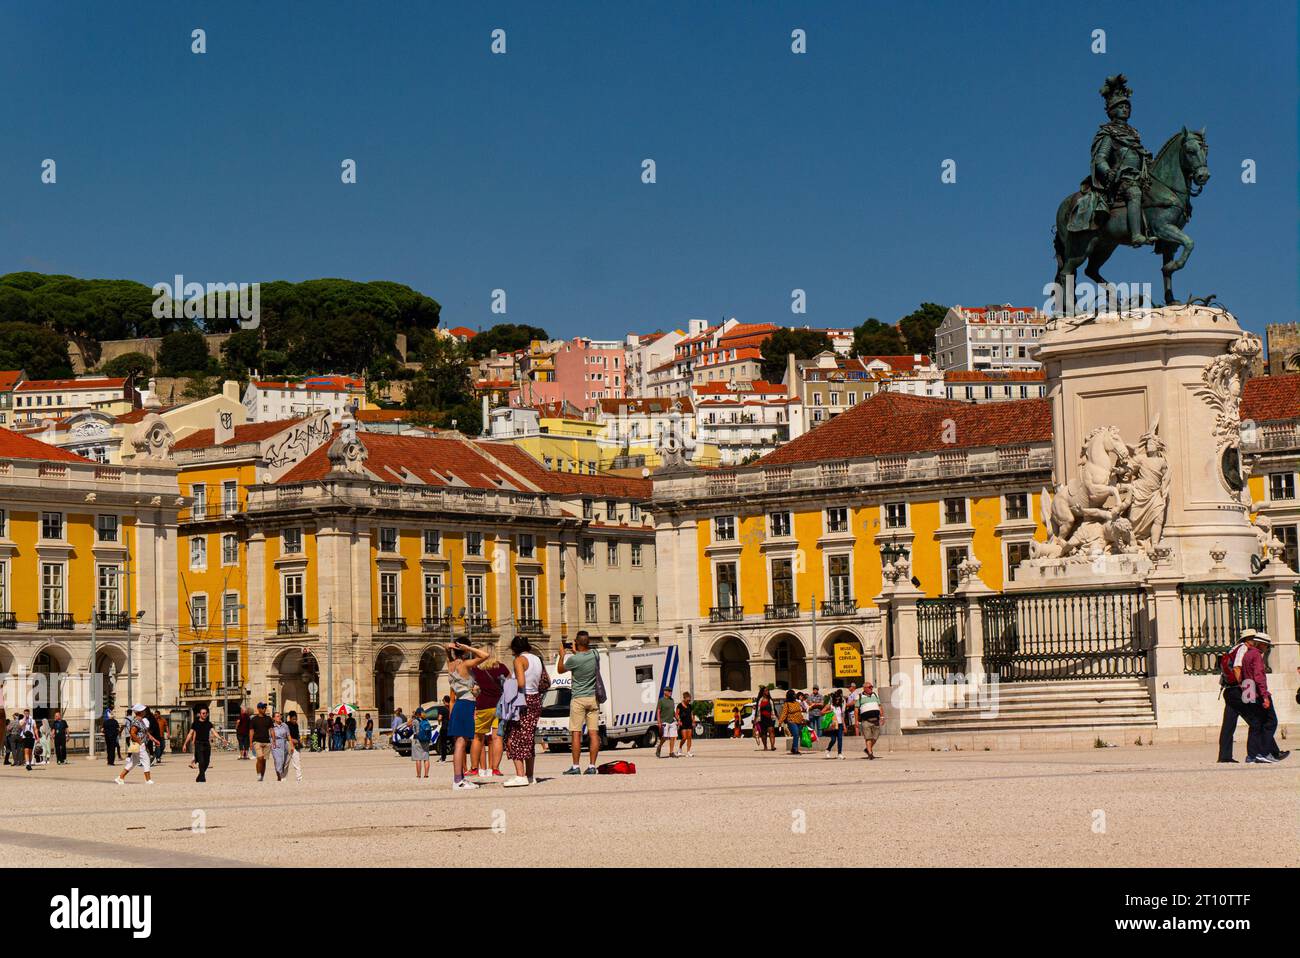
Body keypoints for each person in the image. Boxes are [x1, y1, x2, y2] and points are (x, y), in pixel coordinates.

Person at [1237, 632, 1289, 764]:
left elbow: (1243, 676)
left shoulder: (1247, 655)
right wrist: (1265, 696)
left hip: (1249, 693)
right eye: (1267, 646)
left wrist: (1246, 693)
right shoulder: (1256, 656)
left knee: (1255, 725)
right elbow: (1259, 677)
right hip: (1259, 694)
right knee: (1271, 722)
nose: (1267, 648)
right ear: (1262, 644)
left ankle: (1252, 756)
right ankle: (1264, 753)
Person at [445, 641, 491, 790]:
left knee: (460, 741)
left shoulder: (450, 664)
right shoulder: (464, 664)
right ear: (463, 650)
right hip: (465, 704)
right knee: (461, 743)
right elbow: (486, 655)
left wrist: (449, 649)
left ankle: (460, 778)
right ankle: (458, 780)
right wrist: (469, 647)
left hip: (460, 703)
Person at [557, 631, 601, 774]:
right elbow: (584, 657)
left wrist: (563, 655)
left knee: (576, 733)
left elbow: (560, 670)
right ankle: (592, 766)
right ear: (588, 642)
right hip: (593, 698)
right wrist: (577, 651)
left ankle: (576, 766)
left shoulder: (573, 660)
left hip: (578, 699)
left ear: (576, 642)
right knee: (594, 733)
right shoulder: (595, 654)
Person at [503, 635, 543, 788]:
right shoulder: (537, 659)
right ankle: (530, 775)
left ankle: (520, 775)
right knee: (528, 738)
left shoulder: (519, 660)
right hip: (535, 699)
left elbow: (520, 682)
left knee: (514, 737)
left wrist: (507, 682)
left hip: (522, 700)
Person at [470, 652, 510, 778]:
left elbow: (473, 687)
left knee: (478, 737)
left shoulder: (477, 669)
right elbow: (509, 683)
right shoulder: (502, 667)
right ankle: (495, 769)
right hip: (499, 706)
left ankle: (474, 768)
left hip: (483, 706)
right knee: (497, 737)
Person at [115, 704, 159, 785]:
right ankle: (148, 780)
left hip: (136, 744)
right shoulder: (136, 721)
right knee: (146, 760)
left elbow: (146, 733)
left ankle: (120, 777)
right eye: (143, 710)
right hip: (137, 744)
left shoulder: (141, 720)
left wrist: (154, 740)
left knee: (133, 762)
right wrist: (140, 742)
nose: (145, 711)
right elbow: (132, 733)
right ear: (140, 712)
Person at [183, 706, 219, 782]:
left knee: (207, 762)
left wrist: (221, 738)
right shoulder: (195, 723)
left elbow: (214, 732)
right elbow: (190, 734)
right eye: (203, 713)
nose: (204, 715)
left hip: (206, 744)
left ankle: (200, 776)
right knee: (201, 761)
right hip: (199, 744)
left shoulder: (209, 723)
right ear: (200, 714)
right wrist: (185, 744)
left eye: (206, 713)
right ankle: (202, 778)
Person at [249, 701, 275, 781]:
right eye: (262, 707)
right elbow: (251, 731)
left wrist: (274, 740)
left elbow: (271, 730)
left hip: (267, 742)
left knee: (264, 761)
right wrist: (250, 742)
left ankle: (262, 777)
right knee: (260, 758)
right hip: (257, 741)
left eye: (265, 707)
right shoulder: (254, 719)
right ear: (258, 709)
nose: (264, 709)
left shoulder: (269, 719)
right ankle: (258, 774)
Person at [858, 682, 883, 759]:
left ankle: (867, 749)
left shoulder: (875, 695)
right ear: (864, 688)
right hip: (865, 720)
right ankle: (870, 753)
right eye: (869, 687)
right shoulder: (859, 696)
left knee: (875, 737)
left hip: (876, 720)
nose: (871, 688)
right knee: (868, 737)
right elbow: (856, 709)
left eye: (872, 687)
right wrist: (856, 721)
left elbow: (880, 706)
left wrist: (882, 717)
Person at [778, 690, 805, 755]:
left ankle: (793, 748)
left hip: (799, 721)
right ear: (790, 696)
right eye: (793, 694)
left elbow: (799, 712)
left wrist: (803, 720)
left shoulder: (797, 703)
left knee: (797, 735)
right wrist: (780, 722)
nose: (795, 695)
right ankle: (795, 749)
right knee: (795, 734)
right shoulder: (787, 704)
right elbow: (784, 713)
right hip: (791, 721)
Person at [409, 707, 433, 779]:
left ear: (417, 714)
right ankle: (426, 775)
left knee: (418, 758)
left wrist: (412, 717)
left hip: (417, 740)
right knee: (426, 758)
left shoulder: (415, 721)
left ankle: (419, 775)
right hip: (425, 740)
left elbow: (408, 725)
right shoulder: (426, 720)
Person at [822, 689, 845, 759]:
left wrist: (844, 725)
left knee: (840, 738)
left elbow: (842, 716)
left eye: (839, 700)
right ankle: (827, 750)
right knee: (833, 740)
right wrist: (829, 711)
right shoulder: (830, 705)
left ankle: (840, 753)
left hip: (840, 724)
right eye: (836, 700)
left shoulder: (840, 706)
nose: (838, 701)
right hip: (833, 725)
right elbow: (822, 712)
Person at [655, 687, 677, 758]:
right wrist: (659, 722)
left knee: (673, 737)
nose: (670, 692)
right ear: (665, 692)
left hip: (672, 721)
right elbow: (658, 711)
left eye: (671, 691)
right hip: (664, 721)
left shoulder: (672, 700)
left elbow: (672, 711)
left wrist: (678, 718)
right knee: (665, 737)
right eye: (669, 691)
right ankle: (659, 746)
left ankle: (671, 752)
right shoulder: (661, 700)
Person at [270, 711, 293, 781]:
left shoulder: (284, 725)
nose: (279, 717)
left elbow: (288, 735)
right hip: (275, 743)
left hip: (284, 742)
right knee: (278, 760)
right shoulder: (271, 726)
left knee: (285, 761)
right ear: (273, 718)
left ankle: (281, 774)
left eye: (280, 716)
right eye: (277, 716)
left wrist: (291, 745)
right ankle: (279, 776)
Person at [756, 687, 776, 751]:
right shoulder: (759, 701)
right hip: (762, 719)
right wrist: (754, 720)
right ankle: (765, 746)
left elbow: (774, 709)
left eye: (768, 690)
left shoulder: (770, 700)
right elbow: (757, 711)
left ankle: (772, 746)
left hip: (770, 718)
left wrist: (778, 717)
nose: (767, 692)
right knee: (763, 733)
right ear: (763, 692)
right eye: (766, 690)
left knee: (771, 731)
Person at [285, 711, 304, 782]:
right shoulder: (286, 725)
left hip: (296, 746)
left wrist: (299, 741)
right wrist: (293, 740)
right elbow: (286, 736)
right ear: (290, 718)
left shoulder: (296, 725)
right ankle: (283, 778)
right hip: (288, 745)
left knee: (297, 762)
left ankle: (299, 778)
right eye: (293, 719)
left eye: (296, 719)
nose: (295, 720)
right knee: (286, 763)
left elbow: (297, 735)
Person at [677, 692, 695, 757]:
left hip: (689, 723)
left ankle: (688, 751)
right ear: (684, 698)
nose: (689, 701)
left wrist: (693, 721)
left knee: (689, 737)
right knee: (684, 738)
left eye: (689, 700)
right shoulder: (679, 705)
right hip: (683, 723)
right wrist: (678, 721)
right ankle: (680, 749)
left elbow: (692, 714)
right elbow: (677, 714)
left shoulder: (690, 706)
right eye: (688, 700)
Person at [435, 696, 451, 763]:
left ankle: (443, 758)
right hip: (451, 727)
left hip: (444, 727)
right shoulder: (451, 708)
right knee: (454, 742)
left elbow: (440, 718)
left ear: (444, 700)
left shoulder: (442, 708)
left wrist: (438, 721)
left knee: (443, 743)